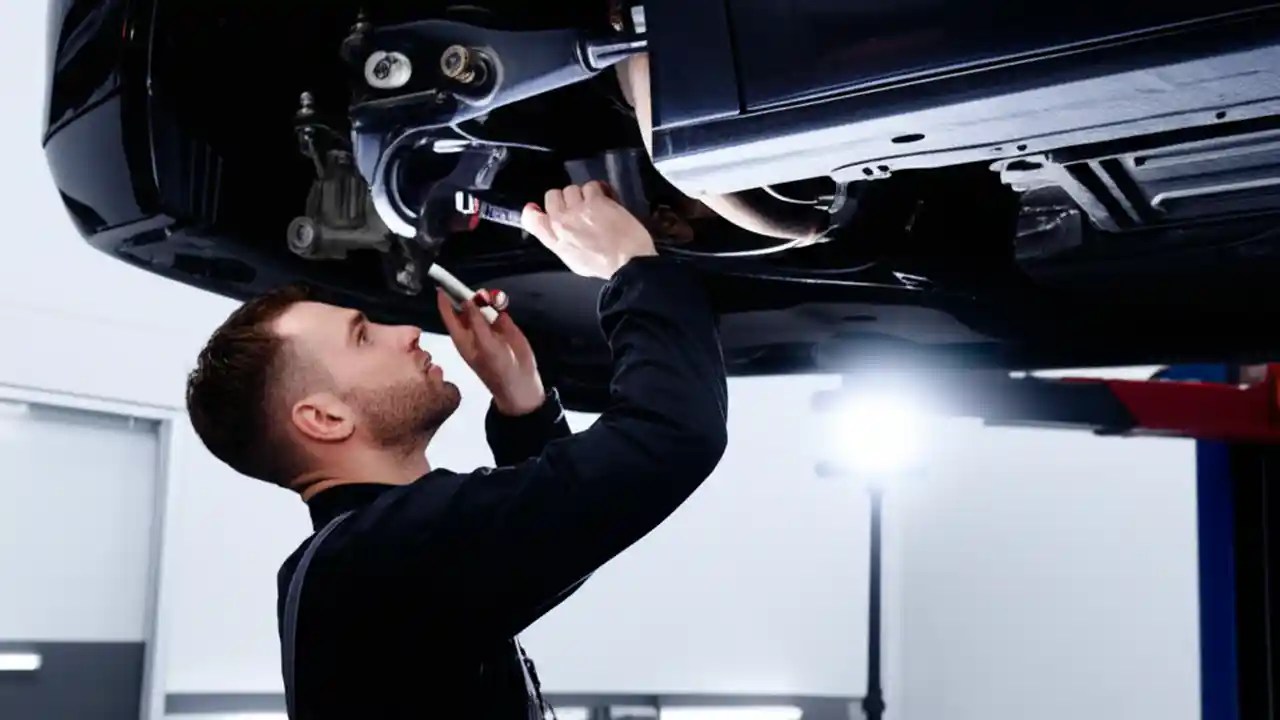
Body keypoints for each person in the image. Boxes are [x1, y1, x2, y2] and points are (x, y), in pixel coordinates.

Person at [183, 180, 729, 719]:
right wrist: (630, 265)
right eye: (363, 337)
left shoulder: (358, 568)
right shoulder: (371, 559)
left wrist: (522, 400)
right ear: (325, 419)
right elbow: (671, 436)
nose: (407, 332)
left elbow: (550, 541)